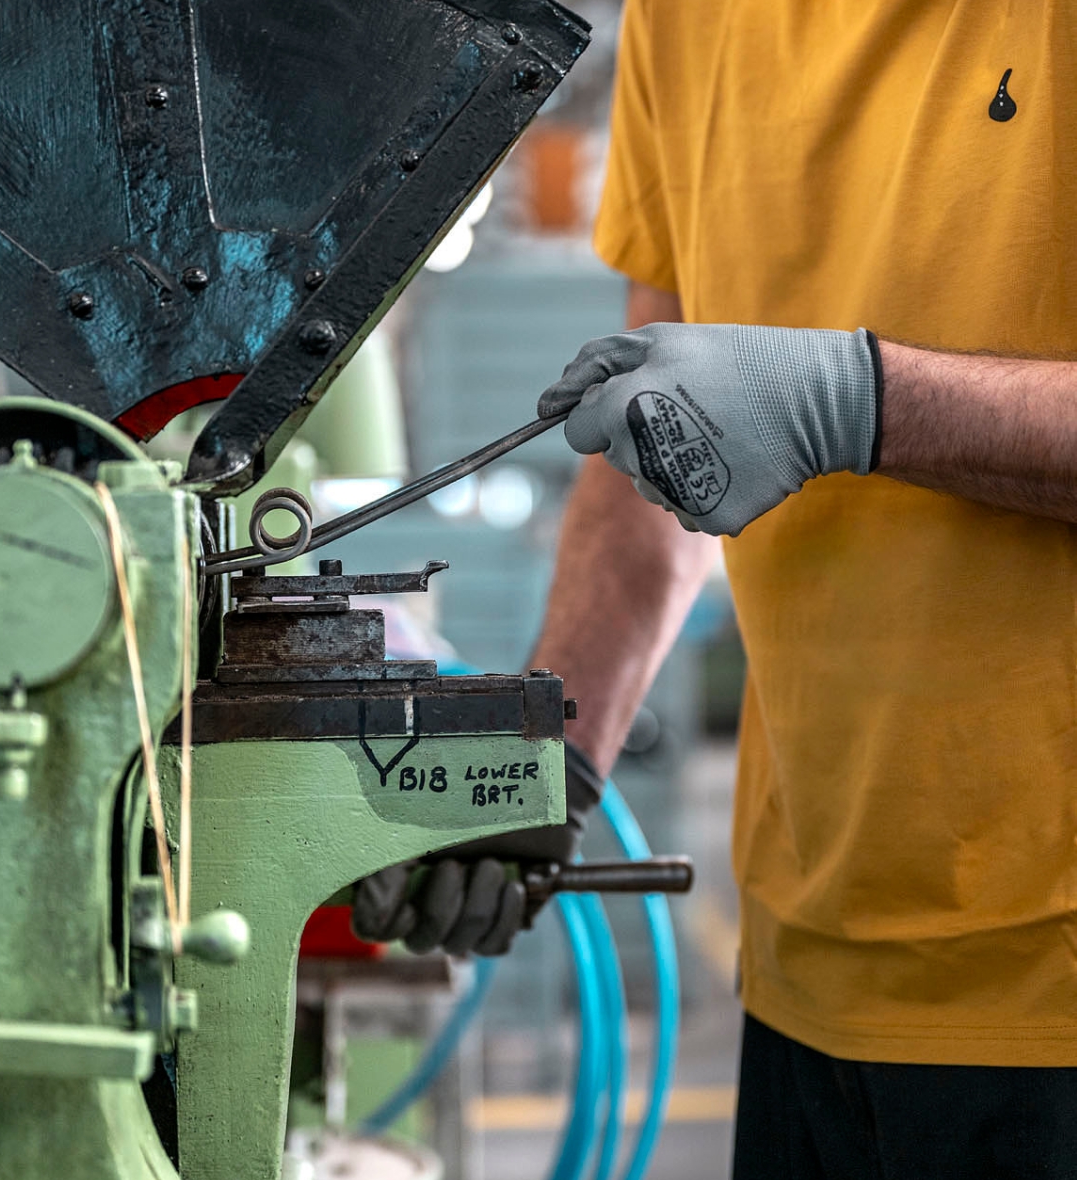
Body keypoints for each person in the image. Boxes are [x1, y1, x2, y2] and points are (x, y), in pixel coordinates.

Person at [356, 3, 1077, 1174]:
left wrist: (864, 402)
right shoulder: (693, 20)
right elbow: (659, 441)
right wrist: (547, 759)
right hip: (810, 964)